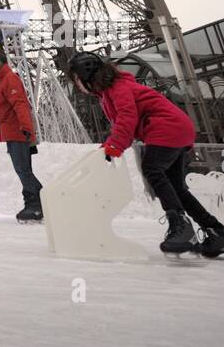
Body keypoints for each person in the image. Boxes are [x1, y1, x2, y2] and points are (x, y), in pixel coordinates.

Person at [67, 51, 224, 257]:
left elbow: (126, 117)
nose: (77, 85)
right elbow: (126, 123)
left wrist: (115, 145)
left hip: (167, 128)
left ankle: (180, 226)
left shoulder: (117, 88)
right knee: (177, 188)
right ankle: (217, 231)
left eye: (76, 79)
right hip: (177, 127)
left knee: (152, 169)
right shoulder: (110, 90)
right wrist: (112, 143)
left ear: (85, 76)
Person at [0, 44, 43, 222]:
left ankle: (40, 203)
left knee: (23, 170)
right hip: (13, 133)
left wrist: (26, 128)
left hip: (18, 133)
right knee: (23, 170)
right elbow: (8, 110)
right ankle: (32, 204)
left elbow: (20, 104)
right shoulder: (2, 82)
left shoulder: (10, 79)